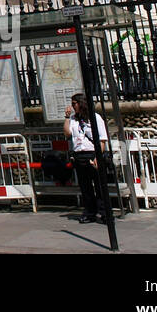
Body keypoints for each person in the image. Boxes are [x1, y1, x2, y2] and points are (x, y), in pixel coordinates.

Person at [64, 93, 111, 224]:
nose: (72, 106)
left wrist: (98, 156)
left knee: (100, 186)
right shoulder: (73, 119)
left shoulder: (95, 118)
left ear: (81, 103)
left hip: (92, 154)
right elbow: (67, 133)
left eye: (74, 103)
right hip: (79, 155)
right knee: (85, 187)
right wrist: (67, 117)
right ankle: (90, 212)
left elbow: (102, 139)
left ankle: (105, 213)